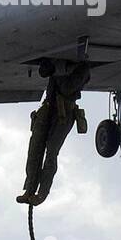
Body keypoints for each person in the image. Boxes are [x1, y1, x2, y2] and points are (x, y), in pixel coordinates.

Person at [17, 62, 90, 206]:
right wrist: (52, 69)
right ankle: (30, 190)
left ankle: (42, 193)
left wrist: (55, 72)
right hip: (48, 108)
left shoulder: (83, 68)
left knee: (51, 153)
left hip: (63, 114)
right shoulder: (60, 62)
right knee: (34, 150)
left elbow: (67, 87)